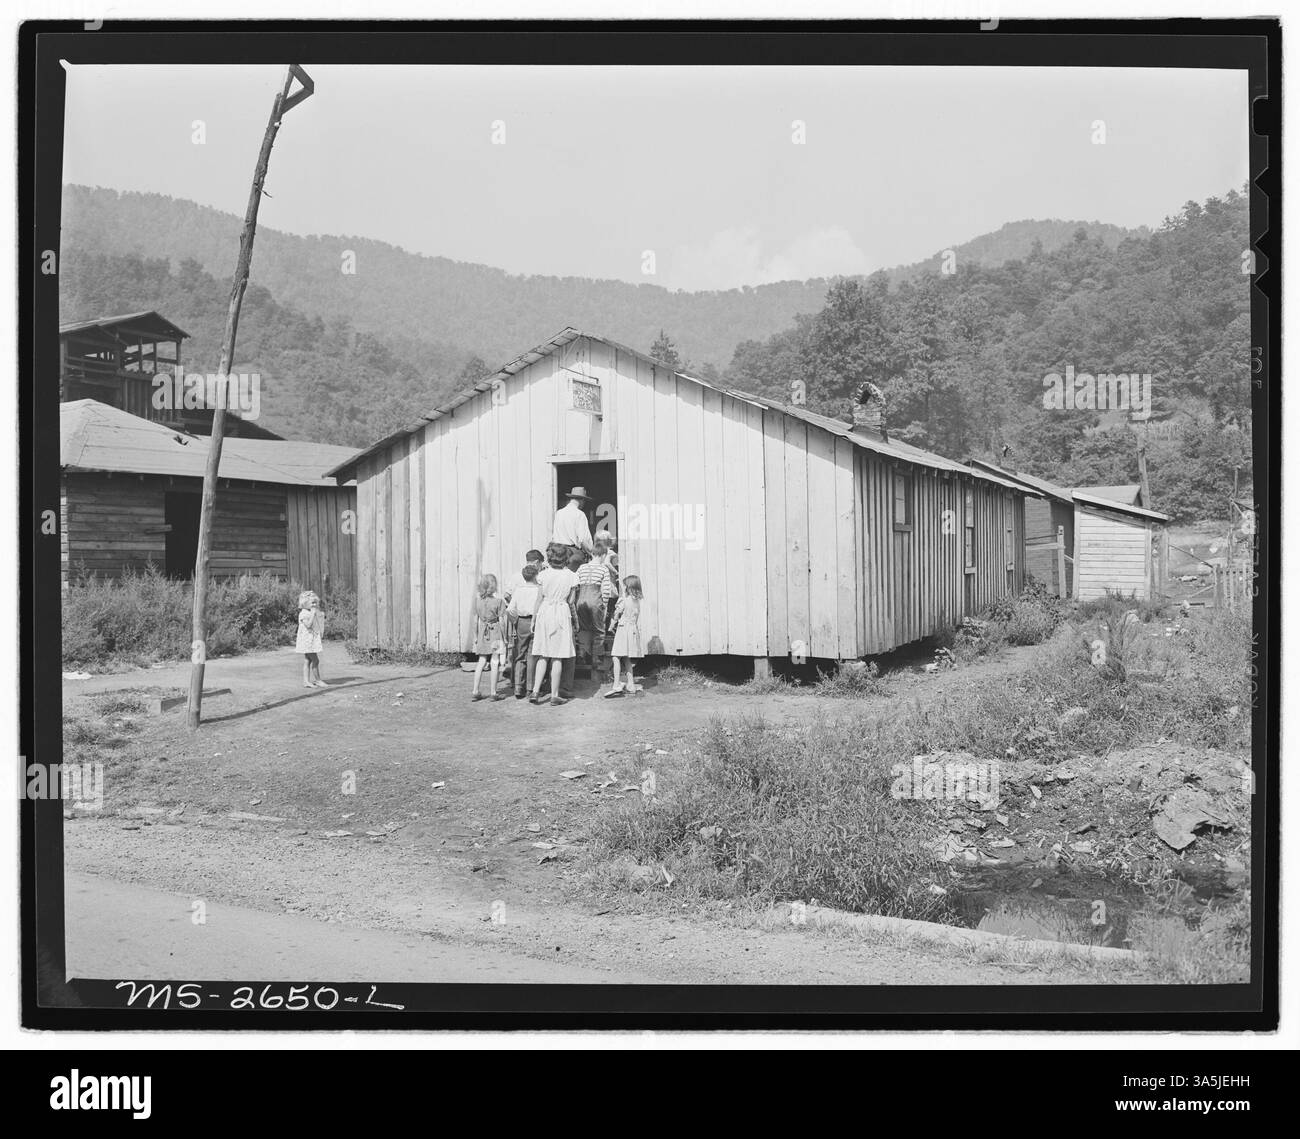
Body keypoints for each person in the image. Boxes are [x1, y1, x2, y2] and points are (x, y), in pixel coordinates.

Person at [529, 545, 580, 706]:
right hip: (561, 612)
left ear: (550, 558)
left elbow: (539, 598)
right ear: (566, 558)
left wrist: (533, 619)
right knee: (557, 656)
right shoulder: (571, 576)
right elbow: (571, 601)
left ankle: (535, 691)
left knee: (543, 654)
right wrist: (575, 620)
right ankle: (554, 694)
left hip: (545, 612)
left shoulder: (543, 575)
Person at [575, 538, 617, 681]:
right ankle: (596, 658)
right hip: (595, 600)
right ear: (603, 555)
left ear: (592, 554)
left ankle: (581, 652)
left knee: (584, 628)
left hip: (581, 600)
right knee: (599, 629)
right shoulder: (603, 569)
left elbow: (575, 584)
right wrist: (604, 606)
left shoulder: (582, 568)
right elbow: (605, 590)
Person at [604, 575, 644, 698]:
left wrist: (611, 626)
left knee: (616, 657)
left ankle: (616, 685)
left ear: (630, 588)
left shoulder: (624, 600)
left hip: (623, 629)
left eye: (626, 586)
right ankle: (631, 684)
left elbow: (617, 614)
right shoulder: (637, 602)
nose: (624, 588)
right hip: (632, 630)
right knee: (626, 658)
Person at [506, 562, 541, 698]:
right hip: (535, 621)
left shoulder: (519, 590)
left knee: (520, 653)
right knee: (533, 654)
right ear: (535, 576)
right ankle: (530, 687)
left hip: (521, 621)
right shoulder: (538, 590)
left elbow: (510, 610)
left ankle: (518, 687)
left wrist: (515, 621)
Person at [470, 574, 507, 702]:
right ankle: (493, 692)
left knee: (481, 661)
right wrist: (505, 637)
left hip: (482, 633)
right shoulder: (499, 602)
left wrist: (475, 636)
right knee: (495, 661)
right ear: (494, 587)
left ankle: (475, 690)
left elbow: (475, 621)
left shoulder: (477, 601)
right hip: (495, 632)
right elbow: (502, 622)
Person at [551, 486, 594, 561]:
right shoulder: (579, 514)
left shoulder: (559, 513)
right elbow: (583, 540)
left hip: (557, 553)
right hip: (571, 553)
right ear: (582, 500)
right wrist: (592, 555)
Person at [296, 590, 327, 688]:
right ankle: (318, 680)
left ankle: (306, 681)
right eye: (312, 603)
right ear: (304, 603)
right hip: (307, 641)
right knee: (316, 660)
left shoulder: (310, 612)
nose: (314, 604)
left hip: (310, 640)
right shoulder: (303, 614)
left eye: (315, 602)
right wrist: (313, 614)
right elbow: (308, 625)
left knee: (307, 660)